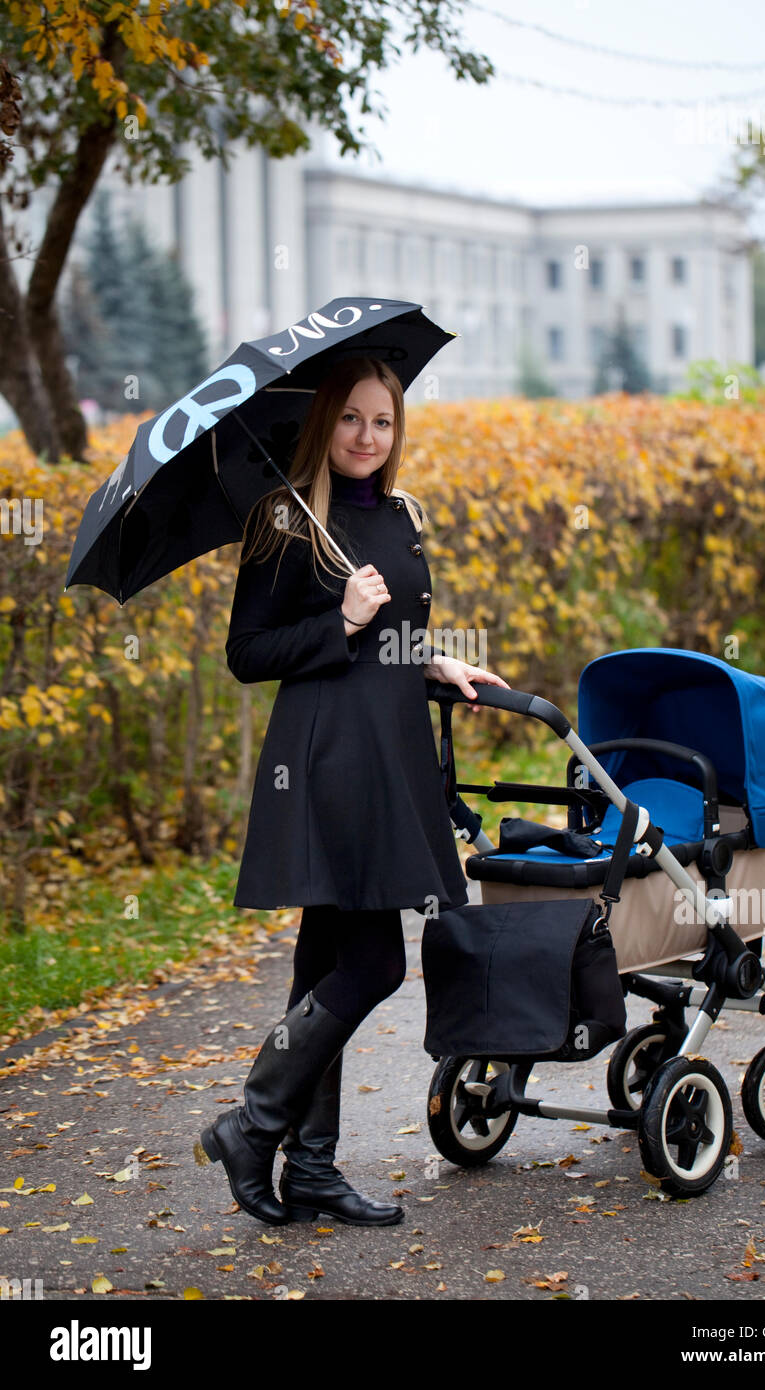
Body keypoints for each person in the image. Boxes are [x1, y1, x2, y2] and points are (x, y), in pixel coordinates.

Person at [193, 353, 510, 1227]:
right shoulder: (283, 523)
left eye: (384, 421)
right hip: (329, 759)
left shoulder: (401, 515)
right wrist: (339, 620)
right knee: (372, 961)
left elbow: (394, 636)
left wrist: (429, 655)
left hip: (392, 749)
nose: (368, 436)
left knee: (323, 965)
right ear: (321, 423)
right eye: (351, 419)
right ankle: (253, 1125)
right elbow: (248, 654)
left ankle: (314, 1168)